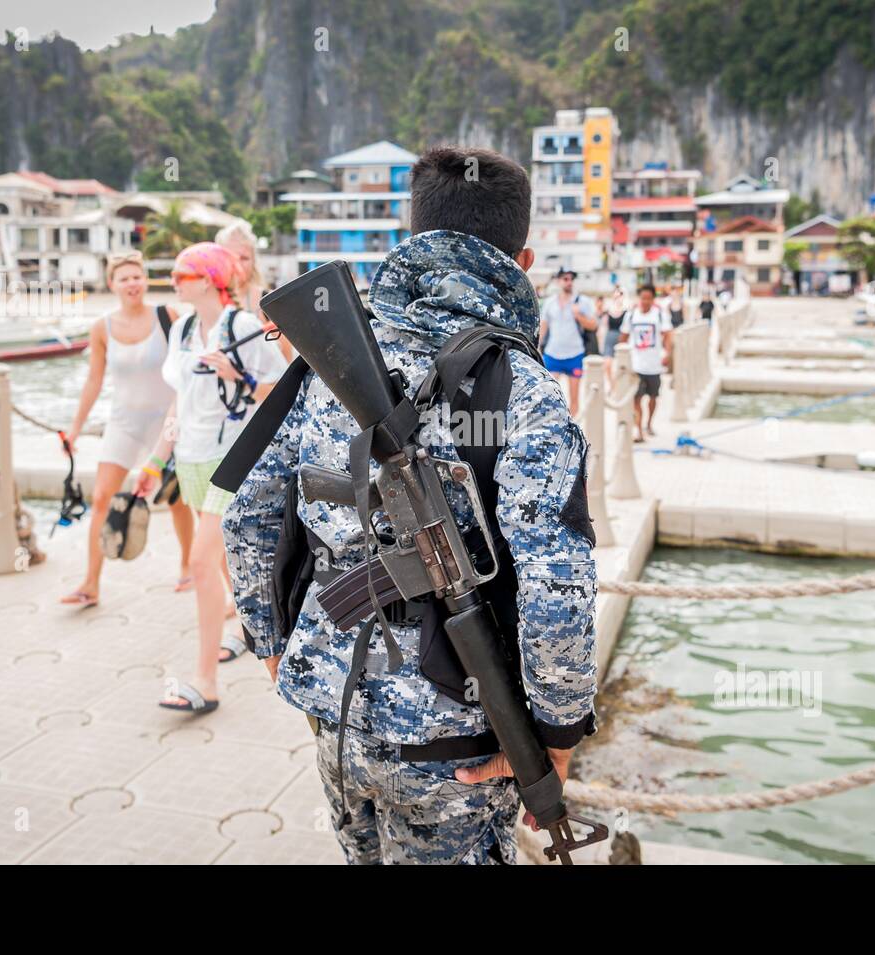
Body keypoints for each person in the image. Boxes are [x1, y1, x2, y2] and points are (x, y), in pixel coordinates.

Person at [223, 145, 598, 864]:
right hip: (454, 741)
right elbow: (559, 591)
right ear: (521, 262)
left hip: (334, 717)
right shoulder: (522, 388)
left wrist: (273, 645)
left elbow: (247, 516)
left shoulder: (329, 360)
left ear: (413, 238)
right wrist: (554, 737)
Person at [135, 242, 286, 713]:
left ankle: (205, 681)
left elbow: (283, 393)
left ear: (207, 279)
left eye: (182, 272)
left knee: (201, 563)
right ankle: (252, 636)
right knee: (224, 564)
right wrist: (155, 463)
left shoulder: (242, 326)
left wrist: (238, 375)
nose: (174, 279)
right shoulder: (181, 329)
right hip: (192, 458)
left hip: (232, 461)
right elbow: (178, 402)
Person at [60, 251, 193, 607]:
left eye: (137, 276)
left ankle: (187, 565)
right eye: (124, 278)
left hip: (164, 423)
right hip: (123, 422)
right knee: (102, 497)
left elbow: (188, 372)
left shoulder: (168, 316)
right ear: (112, 284)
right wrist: (75, 429)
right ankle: (90, 583)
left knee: (177, 499)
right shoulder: (102, 326)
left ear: (145, 280)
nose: (132, 283)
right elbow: (93, 380)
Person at [216, 220, 295, 363]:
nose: (237, 264)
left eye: (244, 258)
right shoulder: (210, 302)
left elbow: (286, 361)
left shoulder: (269, 302)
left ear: (254, 261)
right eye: (230, 257)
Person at [537, 267, 597, 416]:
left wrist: (579, 316)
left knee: (574, 396)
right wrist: (536, 347)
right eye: (565, 279)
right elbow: (544, 326)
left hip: (575, 353)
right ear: (558, 281)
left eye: (571, 279)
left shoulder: (583, 302)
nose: (569, 282)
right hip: (552, 353)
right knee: (548, 394)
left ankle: (573, 428)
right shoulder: (550, 302)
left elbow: (594, 325)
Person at [620, 284, 673, 442]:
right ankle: (639, 430)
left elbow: (668, 335)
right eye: (643, 298)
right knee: (636, 399)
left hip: (654, 364)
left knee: (653, 398)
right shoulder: (631, 315)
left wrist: (667, 354)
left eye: (649, 298)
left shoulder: (659, 315)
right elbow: (623, 337)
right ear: (639, 298)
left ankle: (649, 423)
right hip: (636, 365)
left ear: (653, 299)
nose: (645, 301)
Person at [600, 285, 628, 385]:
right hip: (610, 337)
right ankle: (612, 384)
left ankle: (619, 385)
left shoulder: (627, 311)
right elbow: (603, 326)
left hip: (622, 339)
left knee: (621, 366)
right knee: (607, 364)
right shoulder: (608, 310)